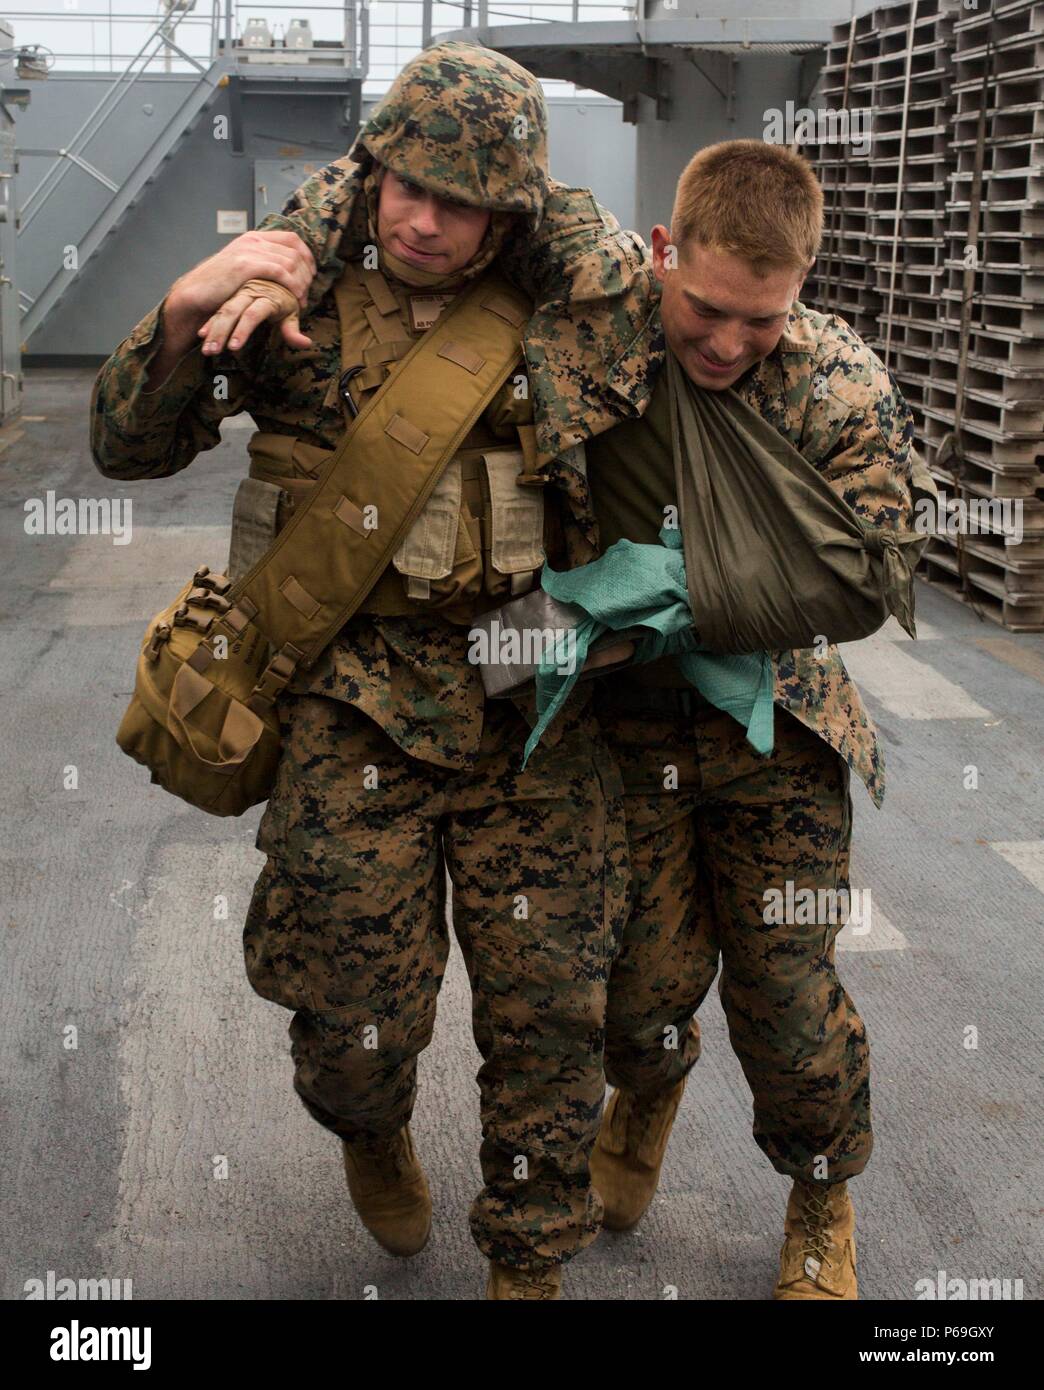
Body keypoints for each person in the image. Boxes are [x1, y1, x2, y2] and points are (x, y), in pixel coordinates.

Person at [237, 134, 921, 1301]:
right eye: (705, 307)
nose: (724, 342)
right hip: (621, 728)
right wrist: (292, 240)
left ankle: (820, 1198)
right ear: (663, 254)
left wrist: (691, 588)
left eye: (761, 321)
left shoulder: (836, 382)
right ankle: (650, 1089)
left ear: (801, 291)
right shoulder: (598, 333)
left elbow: (872, 572)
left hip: (778, 732)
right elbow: (466, 162)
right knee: (636, 1004)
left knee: (791, 1008)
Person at [90, 39, 630, 1301]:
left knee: (553, 1017)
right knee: (350, 1029)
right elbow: (127, 450)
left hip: (524, 693)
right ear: (371, 169)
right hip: (349, 699)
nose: (427, 221)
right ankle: (372, 1128)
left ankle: (528, 1266)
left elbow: (649, 339)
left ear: (514, 207)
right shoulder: (292, 296)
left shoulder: (565, 299)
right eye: (405, 187)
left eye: (465, 201)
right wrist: (182, 311)